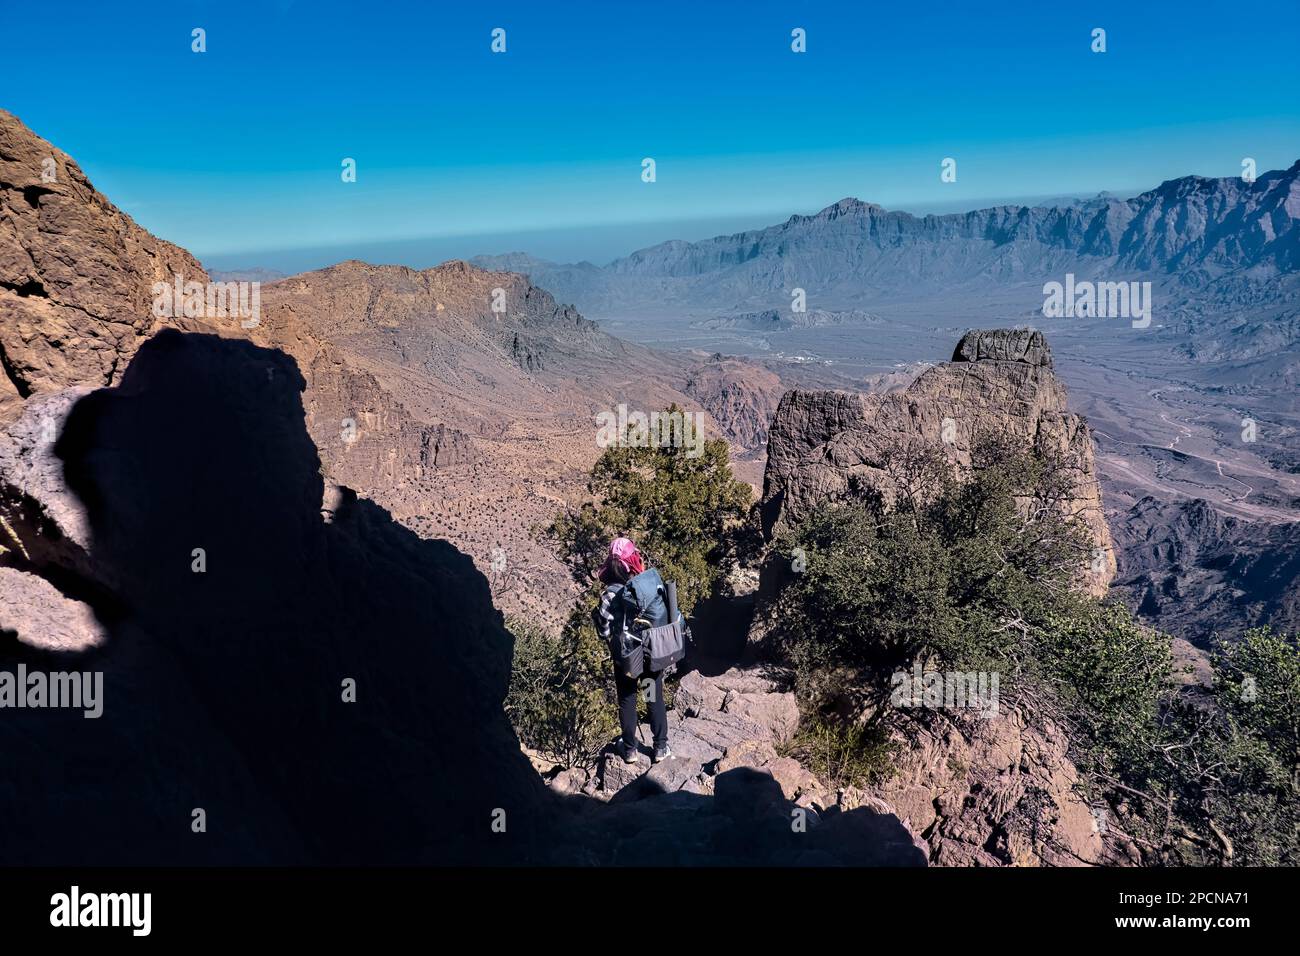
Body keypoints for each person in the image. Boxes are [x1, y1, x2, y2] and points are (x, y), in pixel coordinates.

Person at [592, 537, 672, 765]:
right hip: (649, 653)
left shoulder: (609, 594)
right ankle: (660, 748)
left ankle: (629, 751)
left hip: (626, 659)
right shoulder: (644, 587)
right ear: (633, 560)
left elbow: (604, 630)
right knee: (652, 696)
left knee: (627, 700)